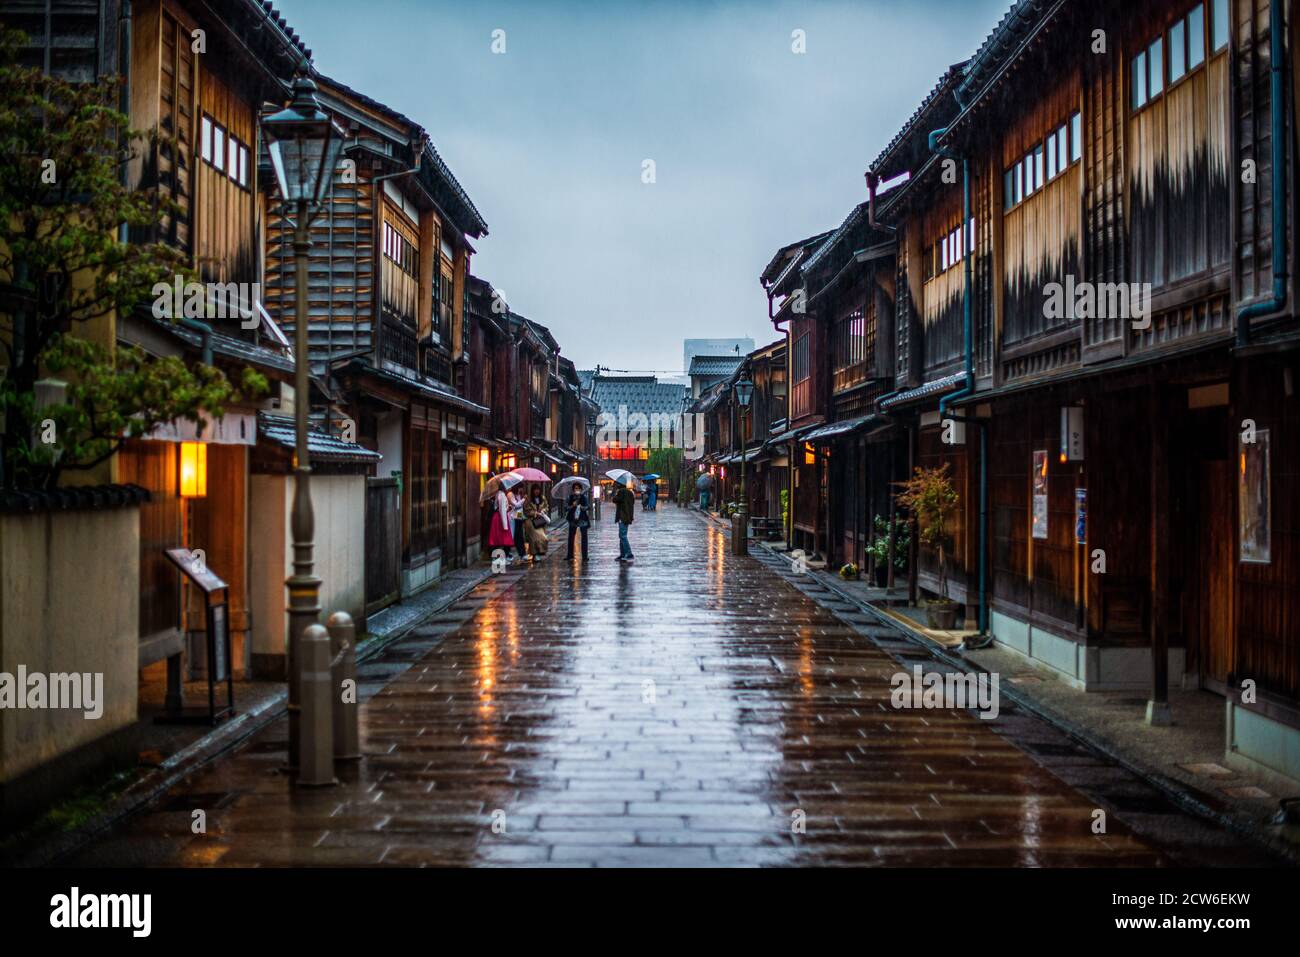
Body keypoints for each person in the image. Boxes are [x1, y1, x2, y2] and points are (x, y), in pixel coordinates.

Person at [487, 482, 517, 562]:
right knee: (502, 539)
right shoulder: (502, 495)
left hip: (498, 517)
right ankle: (502, 558)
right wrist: (505, 525)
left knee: (498, 539)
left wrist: (508, 508)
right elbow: (502, 510)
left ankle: (499, 557)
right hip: (500, 518)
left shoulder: (499, 494)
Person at [565, 486, 591, 560]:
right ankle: (570, 555)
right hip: (573, 519)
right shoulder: (569, 497)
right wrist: (572, 505)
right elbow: (566, 508)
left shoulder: (584, 497)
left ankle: (585, 556)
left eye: (578, 488)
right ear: (573, 490)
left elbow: (588, 506)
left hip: (582, 519)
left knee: (584, 538)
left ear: (581, 489)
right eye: (575, 488)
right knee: (571, 537)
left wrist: (583, 507)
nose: (577, 490)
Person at [524, 486, 550, 559]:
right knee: (534, 538)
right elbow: (526, 510)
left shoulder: (543, 498)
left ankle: (540, 552)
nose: (536, 491)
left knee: (543, 538)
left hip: (540, 521)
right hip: (531, 521)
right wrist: (535, 513)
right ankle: (534, 554)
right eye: (535, 489)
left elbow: (546, 506)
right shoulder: (528, 499)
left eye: (538, 489)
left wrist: (543, 511)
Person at [613, 479, 635, 563]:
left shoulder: (621, 492)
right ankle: (622, 554)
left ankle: (628, 553)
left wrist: (615, 493)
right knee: (622, 535)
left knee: (623, 536)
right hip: (628, 516)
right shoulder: (630, 493)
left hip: (622, 517)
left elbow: (615, 500)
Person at [508, 486, 528, 563]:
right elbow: (516, 505)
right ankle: (509, 552)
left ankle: (522, 554)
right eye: (520, 487)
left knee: (520, 536)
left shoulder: (518, 495)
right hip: (513, 518)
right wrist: (523, 499)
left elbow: (520, 508)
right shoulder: (510, 494)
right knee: (514, 536)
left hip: (519, 517)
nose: (521, 489)